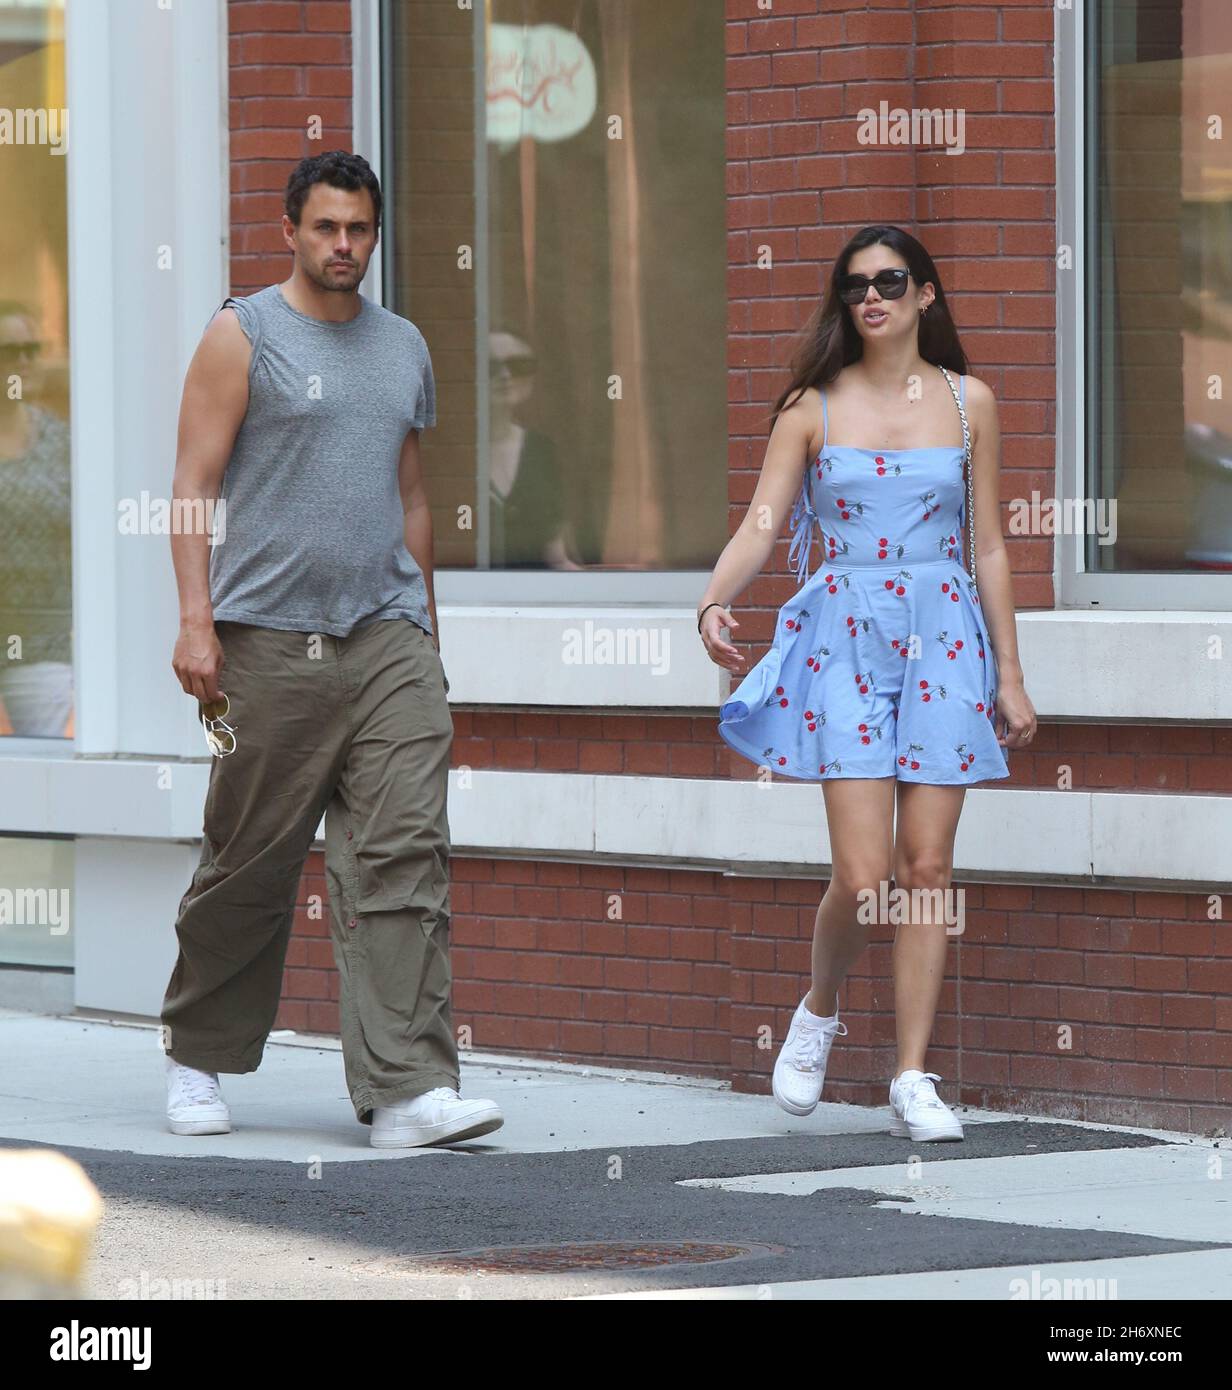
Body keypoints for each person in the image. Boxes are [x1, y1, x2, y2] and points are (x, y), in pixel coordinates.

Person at [160, 150, 502, 1148]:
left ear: (375, 233)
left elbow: (412, 498)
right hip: (266, 637)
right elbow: (192, 484)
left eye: (359, 229)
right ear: (290, 230)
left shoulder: (402, 346)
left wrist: (426, 628)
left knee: (402, 854)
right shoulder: (242, 335)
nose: (343, 245)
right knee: (249, 861)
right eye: (325, 228)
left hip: (386, 635)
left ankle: (405, 1090)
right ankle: (198, 1052)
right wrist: (194, 618)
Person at [696, 225, 1037, 1142]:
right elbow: (763, 523)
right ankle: (819, 1007)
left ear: (927, 294)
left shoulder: (971, 403)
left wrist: (1010, 673)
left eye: (892, 281)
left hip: (944, 639)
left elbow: (991, 545)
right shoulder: (813, 405)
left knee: (926, 867)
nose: (873, 298)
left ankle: (913, 1076)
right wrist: (714, 601)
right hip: (844, 636)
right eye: (856, 287)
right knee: (865, 868)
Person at [0, 301, 73, 738]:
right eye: (10, 350)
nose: (25, 360)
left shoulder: (60, 438)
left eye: (32, 348)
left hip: (46, 651)